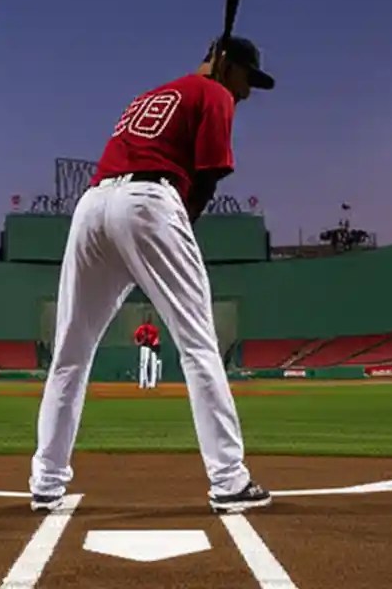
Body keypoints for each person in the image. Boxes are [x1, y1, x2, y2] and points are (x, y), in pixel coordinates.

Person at [29, 36, 275, 515]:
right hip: (149, 202)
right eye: (247, 77)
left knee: (70, 354)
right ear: (225, 64)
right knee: (200, 345)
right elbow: (209, 174)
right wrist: (180, 224)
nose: (247, 92)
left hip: (92, 205)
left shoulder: (154, 94)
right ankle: (229, 479)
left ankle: (46, 481)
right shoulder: (216, 94)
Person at [134, 317, 161, 390]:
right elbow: (136, 338)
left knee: (144, 365)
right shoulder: (143, 329)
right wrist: (139, 342)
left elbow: (156, 340)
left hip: (149, 347)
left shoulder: (150, 329)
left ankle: (145, 383)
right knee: (147, 366)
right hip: (147, 347)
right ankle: (146, 383)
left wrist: (139, 342)